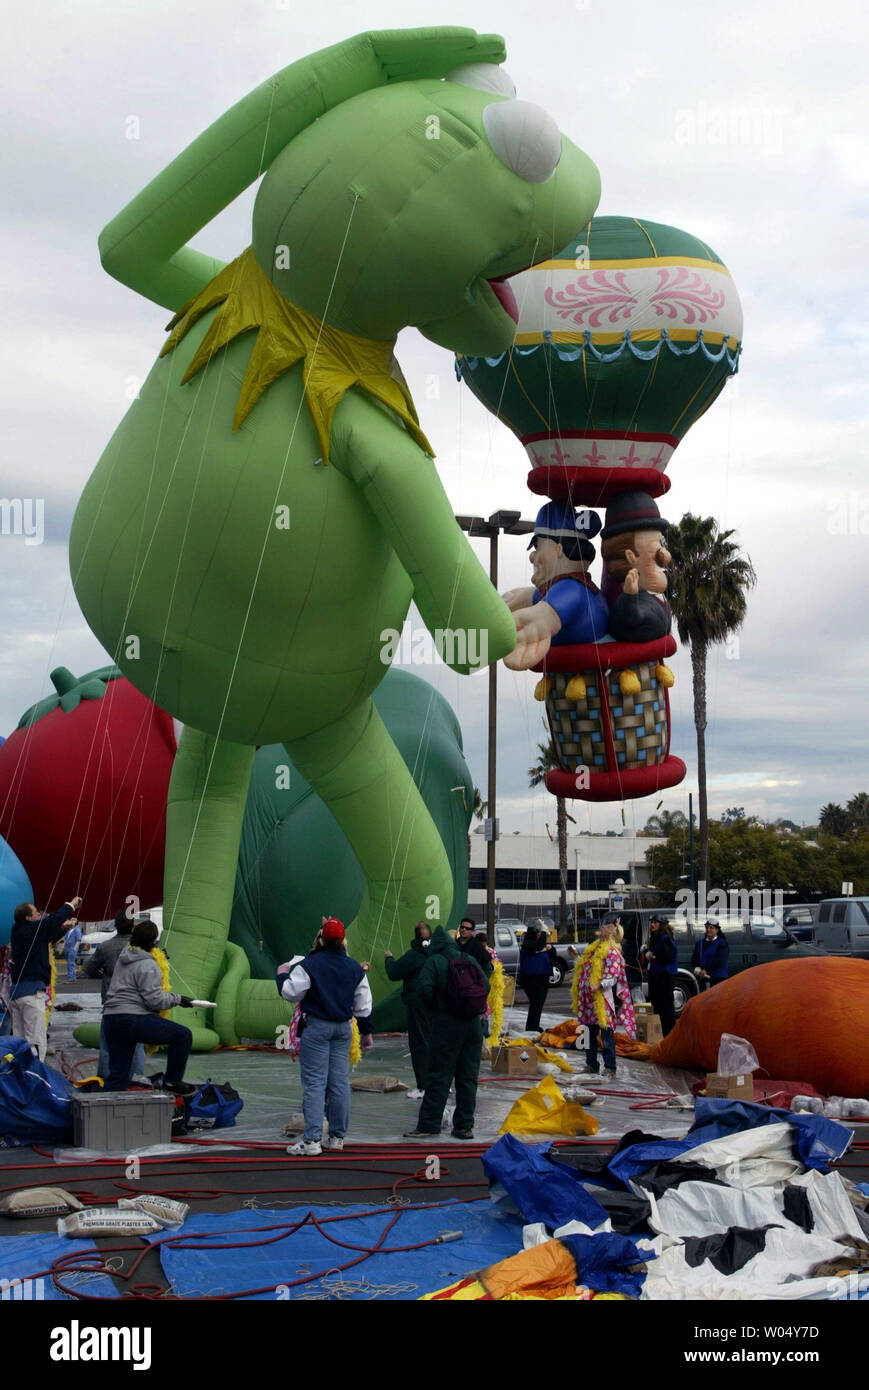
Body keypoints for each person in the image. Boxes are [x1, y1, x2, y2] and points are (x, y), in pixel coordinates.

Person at [277, 916, 372, 1156]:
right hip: (343, 1028)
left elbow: (290, 993)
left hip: (318, 1027)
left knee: (314, 1083)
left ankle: (311, 1141)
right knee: (339, 1083)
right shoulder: (354, 968)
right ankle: (337, 1137)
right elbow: (363, 1007)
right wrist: (366, 1032)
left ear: (321, 939)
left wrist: (281, 974)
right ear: (343, 940)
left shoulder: (310, 964)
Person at [404, 924, 489, 1141]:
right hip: (472, 1026)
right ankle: (464, 1126)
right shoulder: (467, 959)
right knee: (468, 1078)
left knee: (439, 1076)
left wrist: (436, 1008)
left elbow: (423, 989)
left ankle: (429, 1125)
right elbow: (486, 985)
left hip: (447, 1025)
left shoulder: (434, 961)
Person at [102, 918, 195, 1093]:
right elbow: (155, 1000)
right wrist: (179, 999)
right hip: (133, 1019)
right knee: (183, 1036)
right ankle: (172, 1082)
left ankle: (104, 1111)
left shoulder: (124, 959)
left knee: (118, 1076)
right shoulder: (149, 964)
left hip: (111, 1019)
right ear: (153, 942)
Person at [8, 895, 82, 1060]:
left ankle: (19, 1073)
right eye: (36, 913)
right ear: (28, 918)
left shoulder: (20, 931)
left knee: (19, 1039)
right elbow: (51, 922)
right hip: (31, 993)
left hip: (17, 993)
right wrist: (70, 905)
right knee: (36, 1038)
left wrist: (64, 928)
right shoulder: (29, 929)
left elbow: (45, 937)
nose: (39, 915)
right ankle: (36, 1071)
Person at [84, 907, 148, 1084]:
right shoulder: (141, 947)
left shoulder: (105, 947)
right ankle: (136, 1079)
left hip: (111, 1002)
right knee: (136, 1045)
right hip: (136, 1003)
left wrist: (104, 972)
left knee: (107, 1043)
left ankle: (105, 1077)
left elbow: (88, 969)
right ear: (133, 926)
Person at [574, 920, 636, 1080]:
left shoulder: (612, 952)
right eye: (603, 926)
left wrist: (599, 985)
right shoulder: (592, 949)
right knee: (588, 1034)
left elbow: (614, 977)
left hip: (602, 1001)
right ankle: (591, 1064)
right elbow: (585, 968)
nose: (602, 928)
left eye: (607, 927)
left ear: (612, 934)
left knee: (606, 1035)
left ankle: (610, 1067)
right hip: (587, 1001)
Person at [385, 922, 432, 1100]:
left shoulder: (413, 956)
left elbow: (394, 972)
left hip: (418, 1005)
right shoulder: (439, 954)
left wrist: (389, 958)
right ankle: (439, 1084)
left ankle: (423, 1086)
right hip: (437, 1006)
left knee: (420, 1045)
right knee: (436, 1044)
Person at [639, 913, 677, 1035]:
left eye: (655, 922)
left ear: (661, 925)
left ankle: (669, 1032)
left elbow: (668, 957)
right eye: (652, 922)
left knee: (666, 1006)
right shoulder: (655, 937)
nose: (652, 924)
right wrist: (646, 951)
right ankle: (661, 1033)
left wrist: (652, 955)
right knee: (657, 1005)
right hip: (656, 975)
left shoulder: (665, 938)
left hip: (665, 976)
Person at [518, 924, 554, 1033]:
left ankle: (534, 1025)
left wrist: (551, 948)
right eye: (538, 933)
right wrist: (544, 932)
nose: (540, 935)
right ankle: (531, 1026)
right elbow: (539, 946)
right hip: (531, 979)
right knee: (536, 1003)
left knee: (538, 1003)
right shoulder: (528, 944)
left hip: (542, 977)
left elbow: (551, 953)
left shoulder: (540, 945)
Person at [691, 917, 729, 989]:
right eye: (707, 928)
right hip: (702, 977)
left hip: (718, 977)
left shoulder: (722, 943)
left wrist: (706, 970)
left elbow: (720, 961)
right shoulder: (699, 943)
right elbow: (694, 958)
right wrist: (697, 968)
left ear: (717, 930)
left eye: (711, 928)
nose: (708, 930)